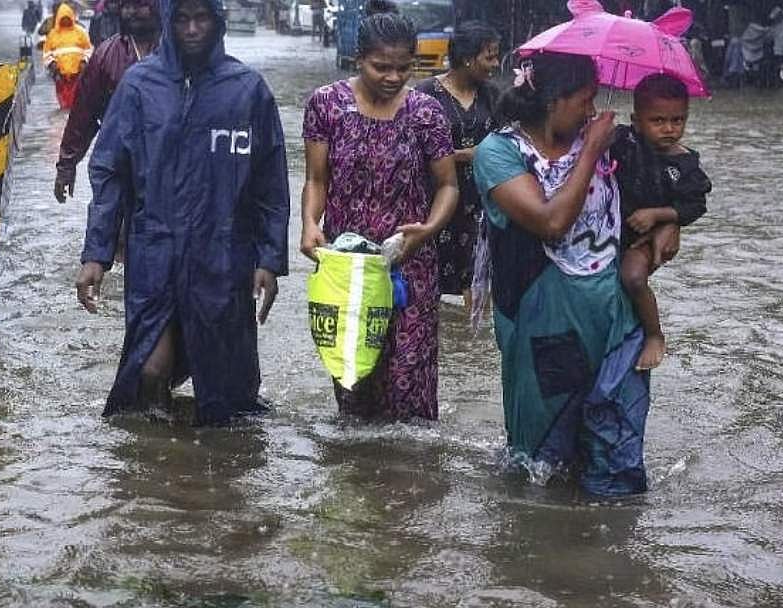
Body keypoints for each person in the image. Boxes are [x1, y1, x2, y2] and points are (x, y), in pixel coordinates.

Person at [75, 0, 290, 425]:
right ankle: (160, 475)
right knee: (149, 371)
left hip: (223, 257)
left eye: (202, 18)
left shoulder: (247, 90)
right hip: (155, 252)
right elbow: (109, 172)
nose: (192, 29)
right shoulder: (139, 86)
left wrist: (269, 259)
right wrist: (96, 253)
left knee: (226, 392)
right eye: (182, 19)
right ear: (167, 21)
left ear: (218, 21)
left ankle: (211, 477)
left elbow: (270, 181)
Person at [473, 52, 679, 496]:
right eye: (584, 101)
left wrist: (670, 222)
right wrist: (589, 152)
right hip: (542, 326)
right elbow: (550, 222)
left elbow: (669, 180)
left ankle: (614, 552)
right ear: (552, 102)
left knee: (619, 457)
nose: (591, 111)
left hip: (615, 318)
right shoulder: (499, 153)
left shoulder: (611, 143)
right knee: (543, 470)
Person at [300, 0, 458, 421]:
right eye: (380, 67)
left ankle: (407, 480)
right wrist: (309, 224)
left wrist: (427, 230)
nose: (393, 78)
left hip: (411, 262)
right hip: (347, 266)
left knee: (409, 386)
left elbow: (447, 186)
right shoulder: (327, 104)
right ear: (359, 59)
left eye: (404, 68)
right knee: (353, 383)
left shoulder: (426, 112)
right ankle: (359, 475)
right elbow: (317, 180)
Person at [611, 74, 712, 371]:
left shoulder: (685, 164)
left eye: (678, 120)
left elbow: (696, 205)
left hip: (647, 237)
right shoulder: (624, 142)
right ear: (636, 120)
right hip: (615, 230)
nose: (669, 129)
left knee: (633, 277)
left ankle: (654, 335)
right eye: (658, 121)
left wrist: (661, 216)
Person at [415, 21, 500, 310]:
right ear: (467, 57)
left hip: (481, 203)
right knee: (429, 282)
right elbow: (409, 154)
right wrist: (465, 155)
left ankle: (473, 348)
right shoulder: (425, 94)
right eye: (489, 56)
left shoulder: (492, 96)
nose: (495, 64)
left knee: (477, 281)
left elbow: (508, 143)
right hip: (435, 201)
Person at [54, 0, 161, 204]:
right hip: (116, 164)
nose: (132, 12)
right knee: (106, 229)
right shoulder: (105, 55)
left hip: (165, 167)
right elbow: (83, 115)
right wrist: (66, 165)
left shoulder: (177, 52)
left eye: (140, 6)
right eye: (127, 6)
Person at [43, 3, 92, 110]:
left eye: (67, 18)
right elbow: (46, 54)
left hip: (77, 74)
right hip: (60, 76)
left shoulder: (80, 32)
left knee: (76, 103)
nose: (65, 21)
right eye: (63, 18)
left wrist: (84, 61)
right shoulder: (53, 34)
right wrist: (53, 65)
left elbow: (88, 49)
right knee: (64, 105)